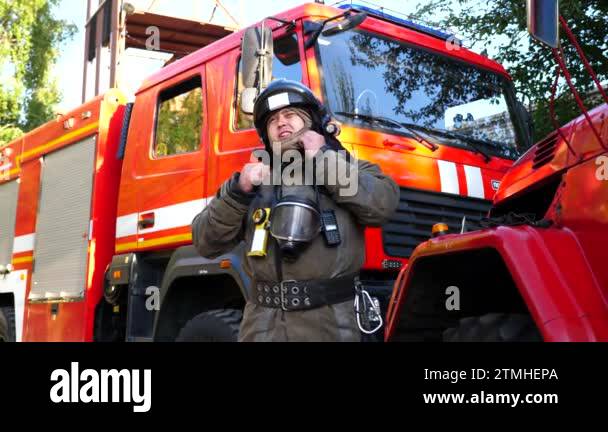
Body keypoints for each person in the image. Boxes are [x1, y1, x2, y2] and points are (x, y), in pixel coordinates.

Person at [192, 80, 399, 342]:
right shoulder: (250, 182)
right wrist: (238, 192)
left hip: (332, 327)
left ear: (311, 122)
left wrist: (323, 159)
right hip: (262, 329)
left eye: (290, 114)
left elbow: (382, 206)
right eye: (273, 120)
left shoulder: (347, 167)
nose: (281, 122)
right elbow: (204, 243)